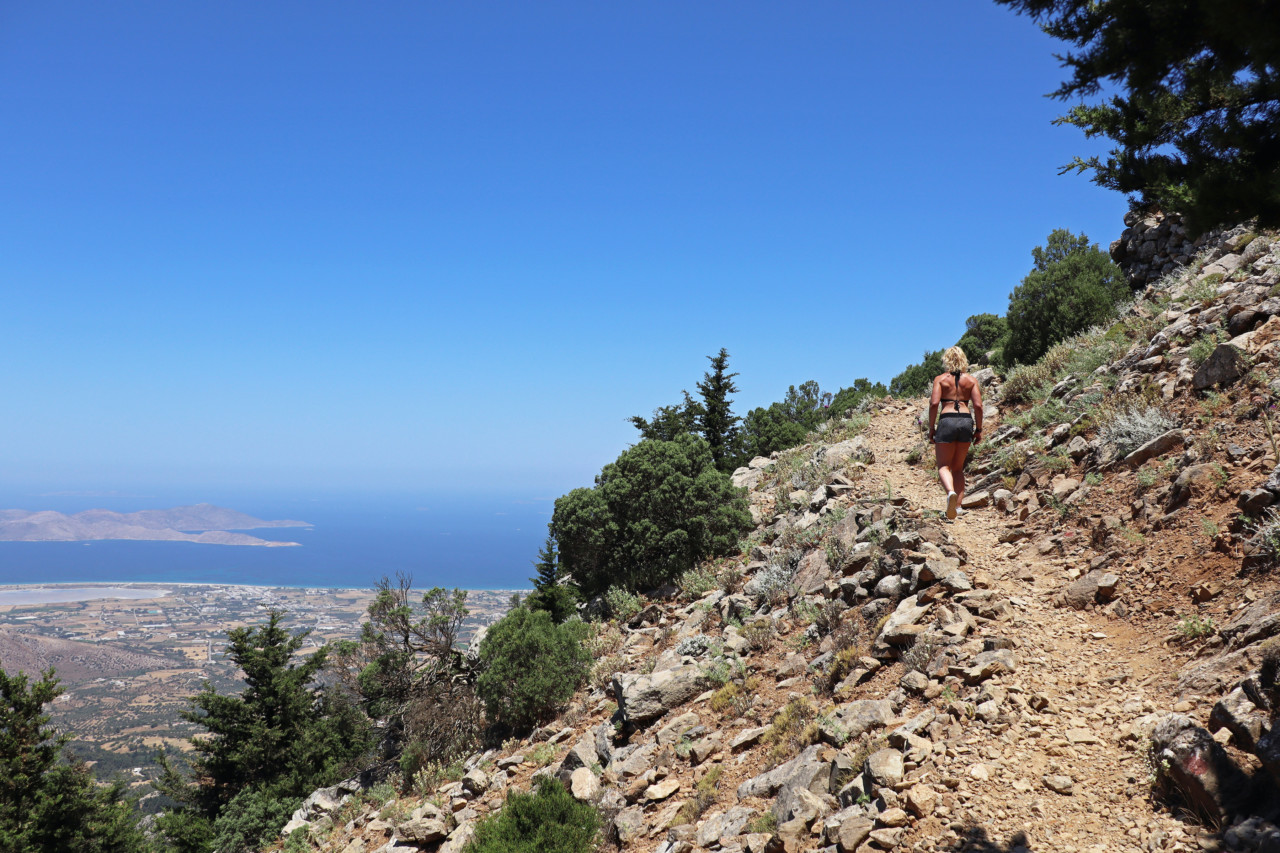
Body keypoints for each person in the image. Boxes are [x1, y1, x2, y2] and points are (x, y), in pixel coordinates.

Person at [928, 346, 983, 520]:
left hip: (947, 421)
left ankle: (950, 492)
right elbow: (979, 406)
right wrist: (979, 429)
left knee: (944, 466)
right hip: (966, 422)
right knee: (958, 468)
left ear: (947, 360)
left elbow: (934, 404)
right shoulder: (971, 380)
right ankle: (958, 507)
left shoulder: (940, 379)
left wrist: (931, 428)